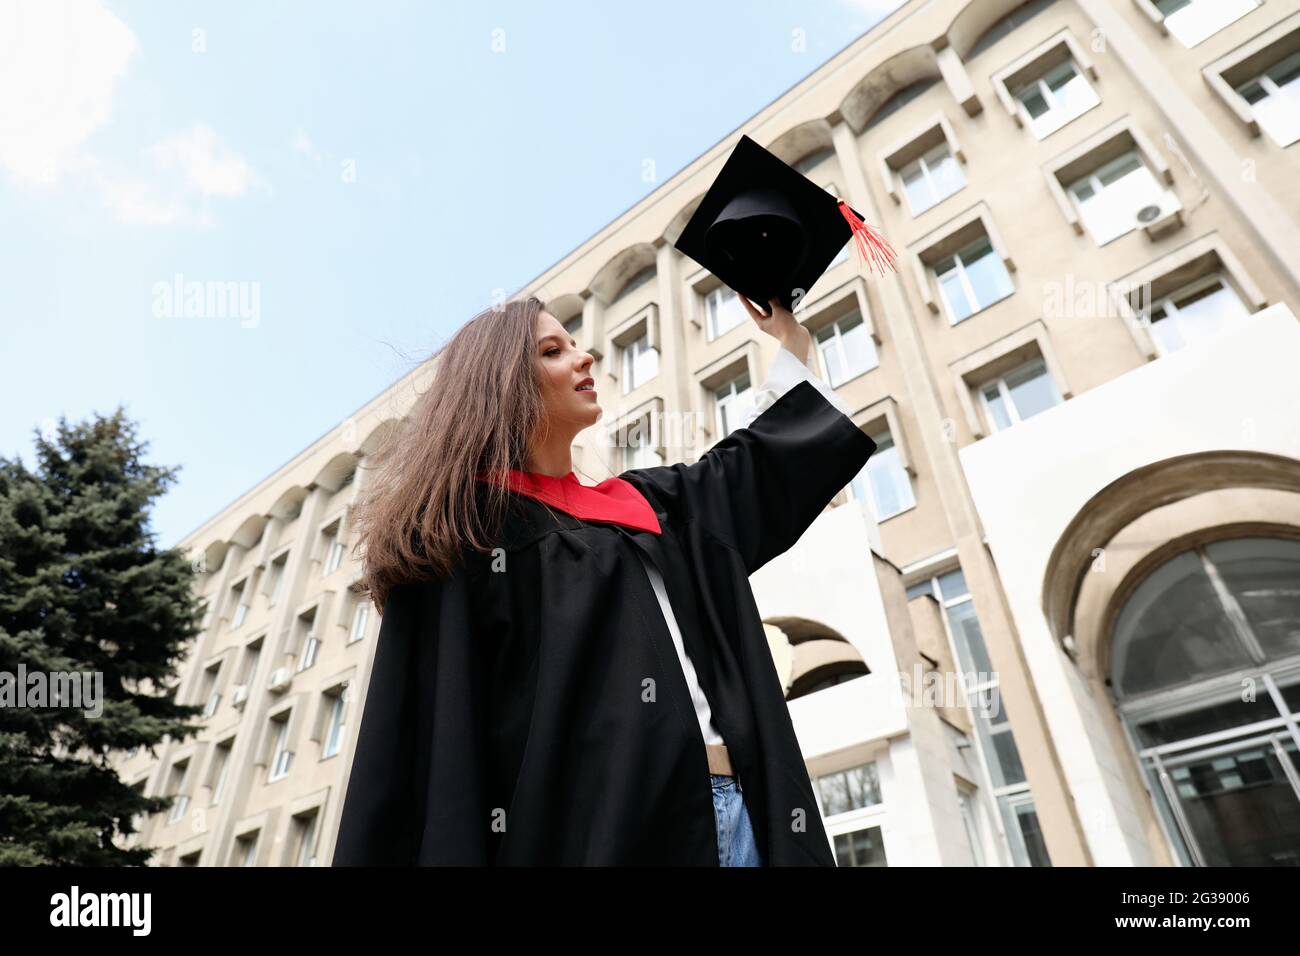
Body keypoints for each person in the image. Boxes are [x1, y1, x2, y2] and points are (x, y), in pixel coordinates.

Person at [331, 294, 875, 866]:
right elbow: (420, 760)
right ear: (501, 384)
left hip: (745, 820)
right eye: (553, 350)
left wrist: (790, 342)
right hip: (600, 840)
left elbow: (751, 468)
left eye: (576, 344)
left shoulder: (648, 506)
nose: (585, 356)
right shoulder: (463, 540)